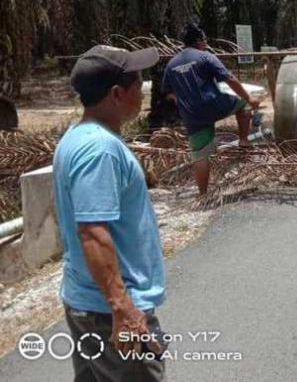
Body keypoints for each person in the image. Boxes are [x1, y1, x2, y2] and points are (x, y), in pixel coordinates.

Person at [53, 45, 167, 381]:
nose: (144, 92)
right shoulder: (98, 150)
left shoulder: (79, 137)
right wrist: (123, 308)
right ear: (117, 94)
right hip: (109, 310)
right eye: (138, 85)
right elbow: (92, 232)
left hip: (89, 302)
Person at [162, 23, 260, 195]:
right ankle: (244, 141)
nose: (206, 42)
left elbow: (169, 93)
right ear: (199, 40)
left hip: (192, 114)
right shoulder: (205, 56)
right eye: (204, 39)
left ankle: (203, 195)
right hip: (214, 104)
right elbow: (229, 79)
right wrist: (249, 98)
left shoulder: (171, 64)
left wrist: (184, 101)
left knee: (200, 154)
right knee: (243, 106)